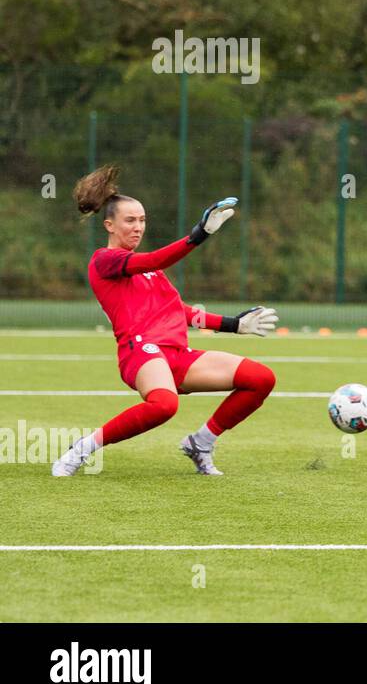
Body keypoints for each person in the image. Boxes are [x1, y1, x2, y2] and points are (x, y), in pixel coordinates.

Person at [53, 164, 280, 477]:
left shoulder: (151, 272)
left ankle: (201, 443)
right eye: (129, 220)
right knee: (164, 405)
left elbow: (181, 312)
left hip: (177, 355)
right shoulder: (105, 260)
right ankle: (83, 448)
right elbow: (154, 258)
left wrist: (235, 325)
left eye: (142, 220)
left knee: (260, 379)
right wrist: (198, 236)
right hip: (140, 351)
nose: (138, 227)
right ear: (109, 225)